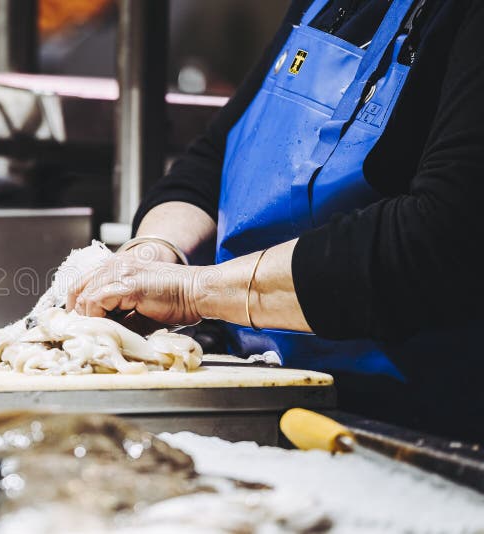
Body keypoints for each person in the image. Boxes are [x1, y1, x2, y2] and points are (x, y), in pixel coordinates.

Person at [68, 0, 484, 443]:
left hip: (410, 426)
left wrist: (193, 291)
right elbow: (214, 160)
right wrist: (152, 253)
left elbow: (439, 236)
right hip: (260, 386)